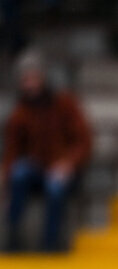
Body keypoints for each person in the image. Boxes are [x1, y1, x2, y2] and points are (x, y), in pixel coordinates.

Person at [2, 51, 91, 252]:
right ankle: (13, 237)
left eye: (33, 78)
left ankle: (50, 245)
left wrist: (68, 164)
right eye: (25, 79)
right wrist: (6, 178)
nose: (30, 84)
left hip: (62, 168)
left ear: (43, 78)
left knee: (55, 186)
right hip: (36, 169)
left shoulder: (65, 104)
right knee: (19, 174)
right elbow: (12, 152)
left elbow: (83, 141)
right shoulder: (20, 113)